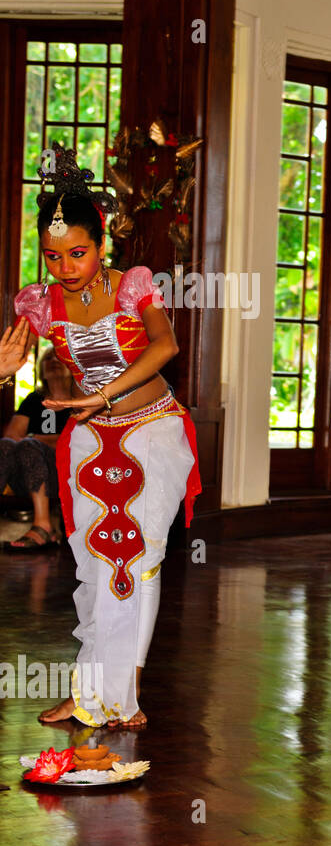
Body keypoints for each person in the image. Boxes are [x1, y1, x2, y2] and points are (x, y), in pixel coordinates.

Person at [13, 144, 201, 729]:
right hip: (92, 438)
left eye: (78, 252)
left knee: (135, 558)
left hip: (152, 429)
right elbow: (10, 359)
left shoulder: (134, 285)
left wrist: (105, 394)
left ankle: (122, 694)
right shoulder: (38, 304)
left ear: (101, 244)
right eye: (52, 256)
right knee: (94, 566)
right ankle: (91, 689)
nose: (65, 267)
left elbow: (166, 347)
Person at [2, 348, 73, 550]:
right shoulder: (34, 400)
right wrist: (42, 441)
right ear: (41, 369)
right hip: (28, 471)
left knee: (29, 444)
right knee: (7, 446)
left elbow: (80, 440)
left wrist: (36, 439)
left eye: (58, 357)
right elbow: (11, 436)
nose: (52, 361)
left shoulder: (79, 398)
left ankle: (44, 527)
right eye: (47, 358)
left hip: (67, 470)